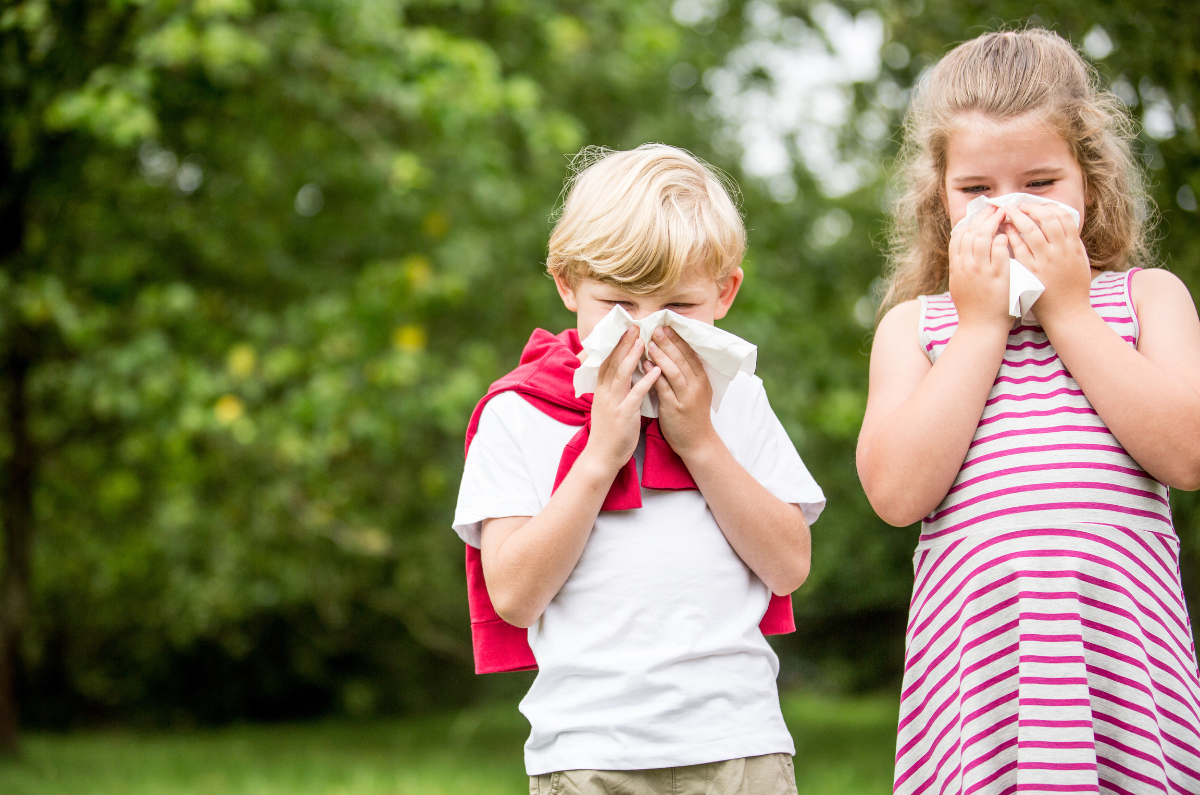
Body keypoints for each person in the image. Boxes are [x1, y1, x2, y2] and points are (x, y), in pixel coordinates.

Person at [857, 28, 1200, 795]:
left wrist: (1070, 311)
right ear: (940, 199)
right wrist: (981, 326)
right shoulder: (919, 326)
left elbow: (1188, 455)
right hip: (982, 682)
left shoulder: (1145, 300)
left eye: (1040, 183)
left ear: (1091, 182)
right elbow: (896, 492)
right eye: (977, 189)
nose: (1007, 209)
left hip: (1120, 666)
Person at [453, 143, 825, 794]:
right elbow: (513, 596)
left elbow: (789, 564)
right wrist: (600, 456)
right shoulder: (518, 413)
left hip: (741, 747)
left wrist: (702, 441)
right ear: (567, 282)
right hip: (590, 753)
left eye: (678, 308)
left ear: (724, 292)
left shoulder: (738, 399)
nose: (648, 332)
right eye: (620, 305)